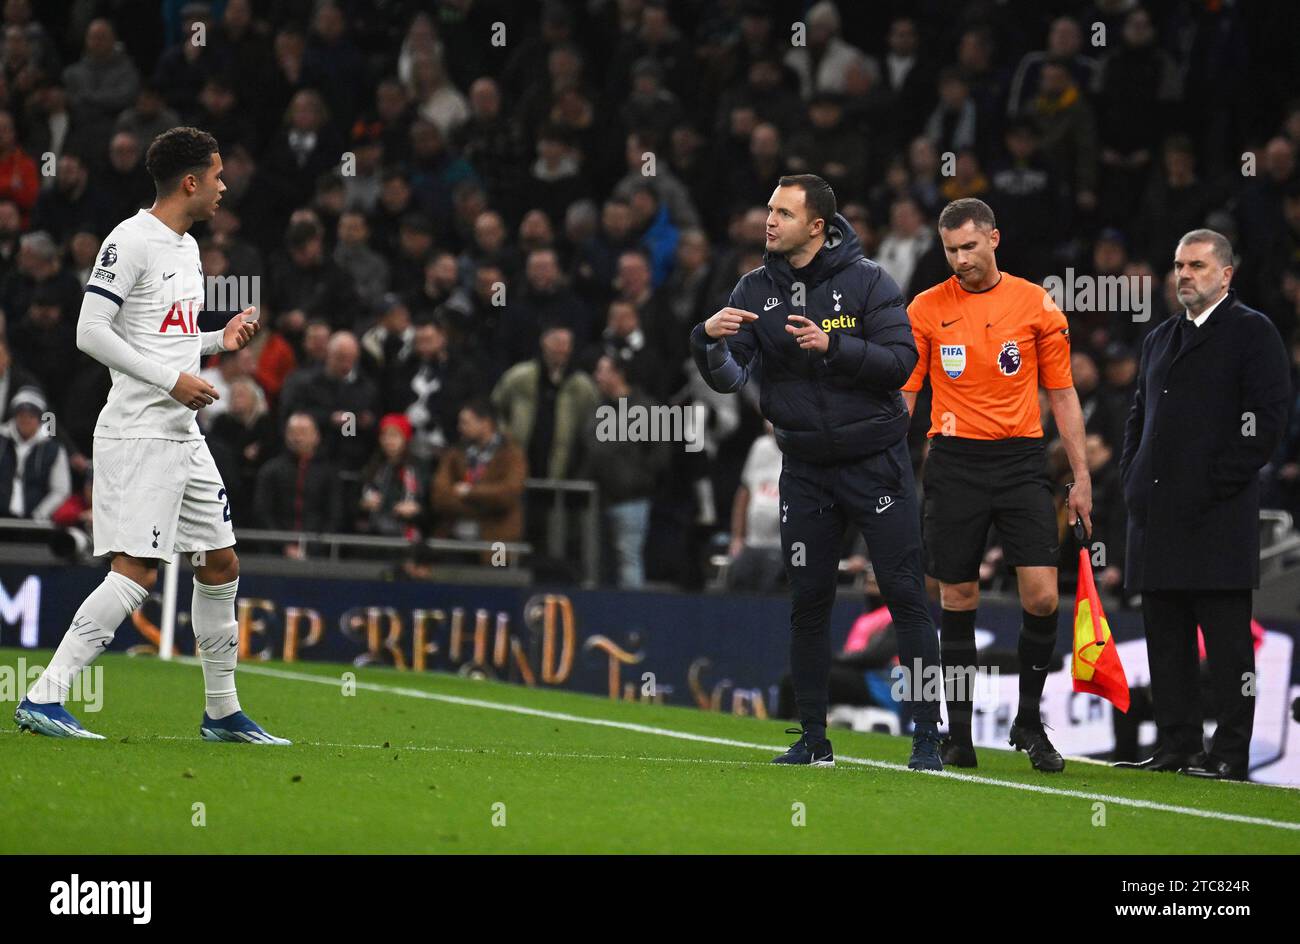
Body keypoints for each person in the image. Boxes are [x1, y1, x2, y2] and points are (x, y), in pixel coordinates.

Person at [17, 127, 288, 745]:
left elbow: (162, 339)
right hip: (140, 430)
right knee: (137, 570)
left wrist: (218, 342)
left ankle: (222, 713)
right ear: (190, 182)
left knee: (219, 563)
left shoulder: (188, 249)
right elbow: (91, 331)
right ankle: (44, 696)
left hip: (180, 430)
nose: (223, 185)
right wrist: (171, 380)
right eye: (217, 175)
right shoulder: (130, 239)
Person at [690, 173, 944, 770]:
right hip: (804, 468)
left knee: (906, 594)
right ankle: (812, 739)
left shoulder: (869, 281)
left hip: (876, 464)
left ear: (817, 226)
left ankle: (927, 739)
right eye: (768, 209)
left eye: (782, 212)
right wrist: (707, 342)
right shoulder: (755, 287)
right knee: (808, 600)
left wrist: (835, 349)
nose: (768, 221)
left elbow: (902, 363)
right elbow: (732, 378)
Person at [902, 198, 1091, 773]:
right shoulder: (926, 308)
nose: (959, 259)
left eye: (968, 247)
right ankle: (958, 735)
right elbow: (906, 395)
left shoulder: (1035, 304)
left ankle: (1029, 720)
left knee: (1040, 595)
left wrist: (1080, 476)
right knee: (957, 598)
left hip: (1019, 462)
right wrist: (881, 458)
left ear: (994, 239)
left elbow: (1062, 393)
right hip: (954, 463)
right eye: (950, 250)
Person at [1114, 229, 1291, 781]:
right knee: (1166, 642)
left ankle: (1230, 754)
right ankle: (1177, 746)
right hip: (1157, 516)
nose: (1183, 275)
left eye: (1195, 265)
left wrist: (1217, 482)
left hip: (1217, 519)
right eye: (1178, 265)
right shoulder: (1160, 338)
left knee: (1228, 645)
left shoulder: (1251, 332)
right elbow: (1138, 416)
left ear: (1225, 274)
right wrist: (1132, 476)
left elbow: (1267, 421)